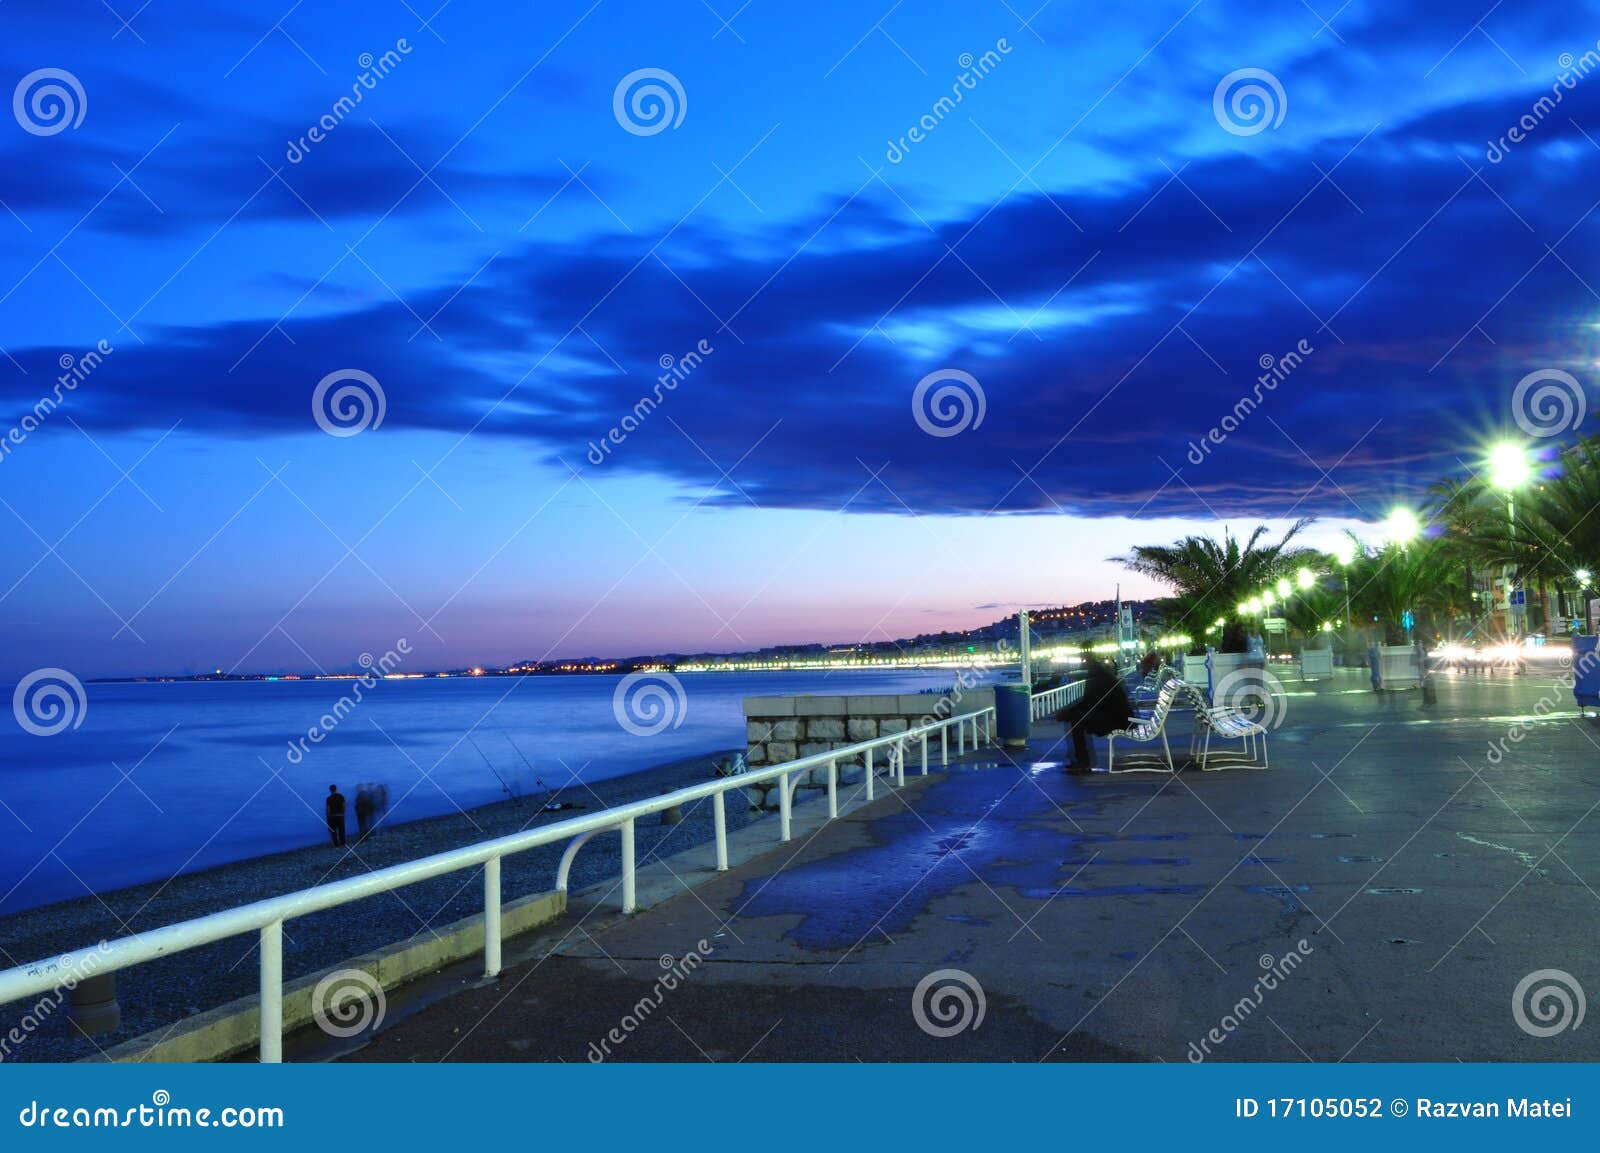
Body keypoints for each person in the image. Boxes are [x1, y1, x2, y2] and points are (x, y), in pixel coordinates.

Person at [1057, 656, 1134, 772]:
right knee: (1078, 719)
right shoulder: (1105, 678)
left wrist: (1067, 714)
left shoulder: (1099, 681)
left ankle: (1083, 761)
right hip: (1119, 718)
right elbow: (1091, 704)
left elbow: (1090, 704)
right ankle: (1082, 760)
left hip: (1117, 721)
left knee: (1078, 721)